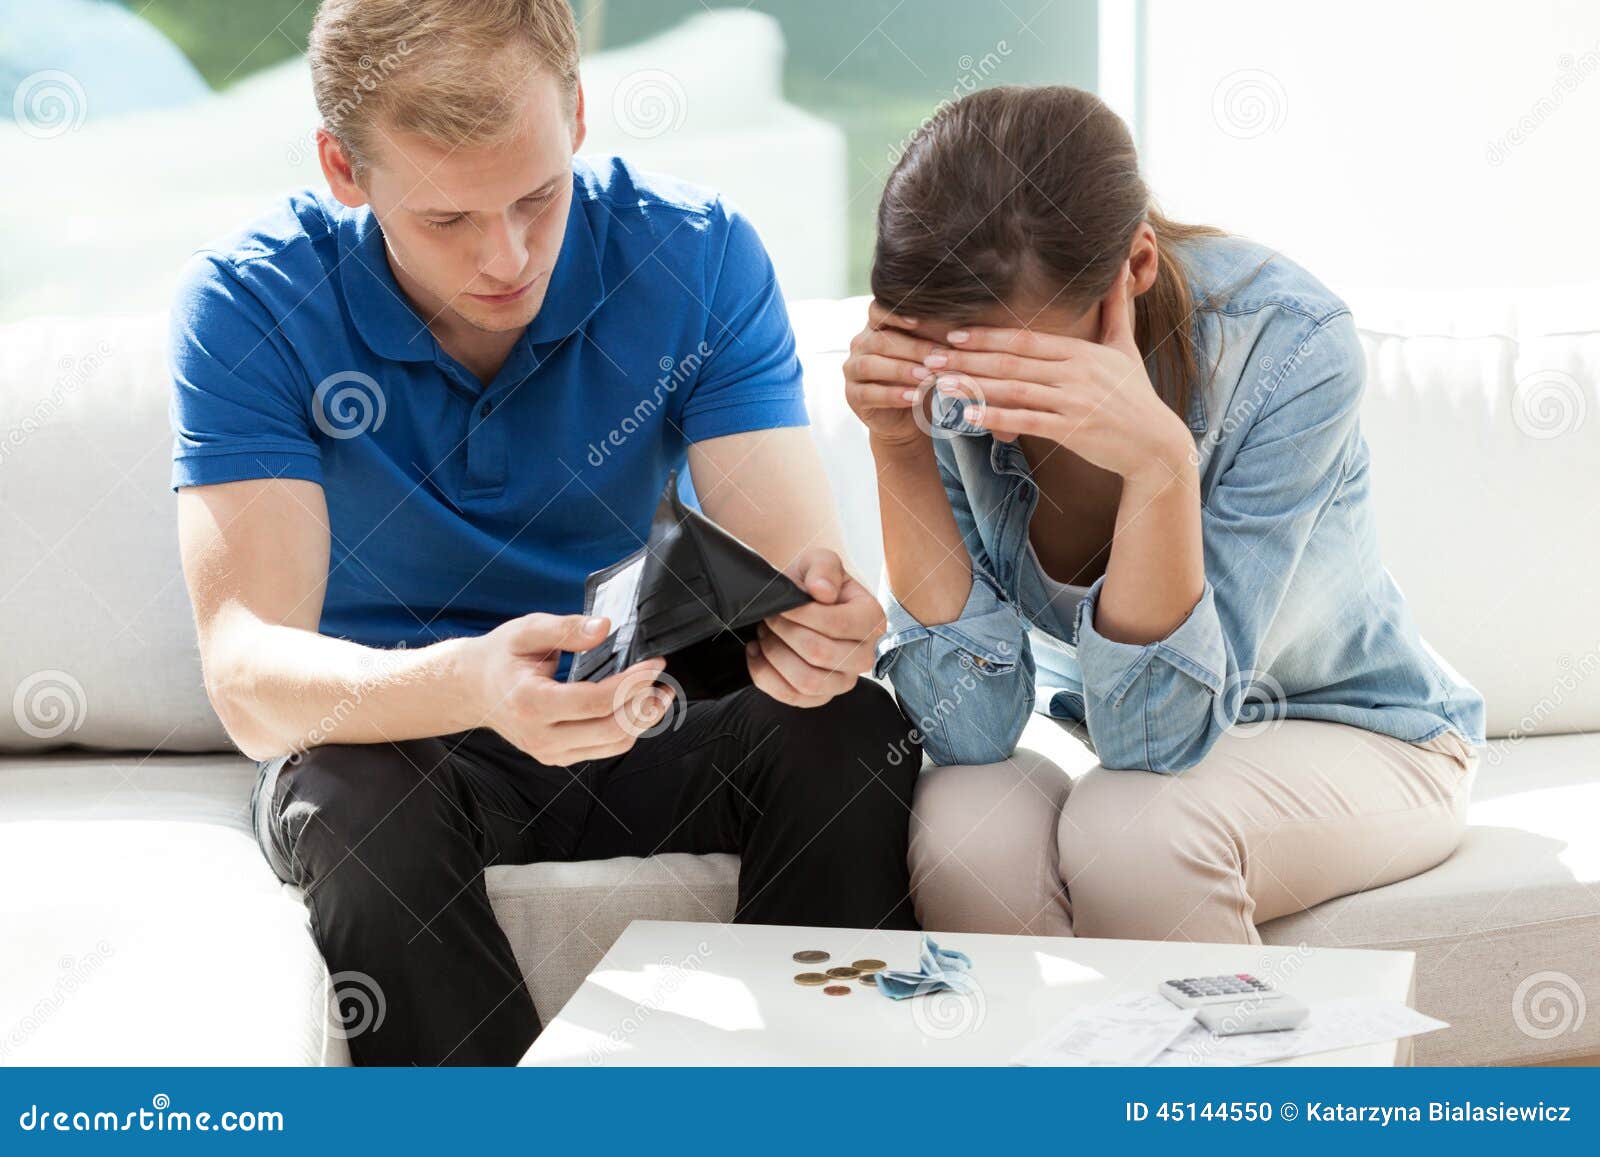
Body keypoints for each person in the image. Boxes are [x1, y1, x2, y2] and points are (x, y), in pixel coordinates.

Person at [170, 0, 919, 1066]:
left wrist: (819, 635)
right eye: (446, 220)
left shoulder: (695, 256)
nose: (507, 258)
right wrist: (473, 683)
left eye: (537, 197)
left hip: (642, 708)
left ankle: (807, 1113)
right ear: (344, 168)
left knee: (846, 727)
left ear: (574, 113)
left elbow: (790, 576)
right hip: (407, 736)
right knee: (353, 802)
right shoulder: (252, 301)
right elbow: (248, 677)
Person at [846, 85, 1484, 945]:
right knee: (967, 821)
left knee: (1133, 831)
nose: (977, 403)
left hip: (1360, 728)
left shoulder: (1289, 346)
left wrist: (1158, 466)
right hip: (1120, 747)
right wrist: (898, 447)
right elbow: (967, 729)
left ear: (1134, 269)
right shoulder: (948, 385)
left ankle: (1212, 1086)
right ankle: (1041, 1083)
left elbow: (1157, 739)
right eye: (945, 359)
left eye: (1019, 362)